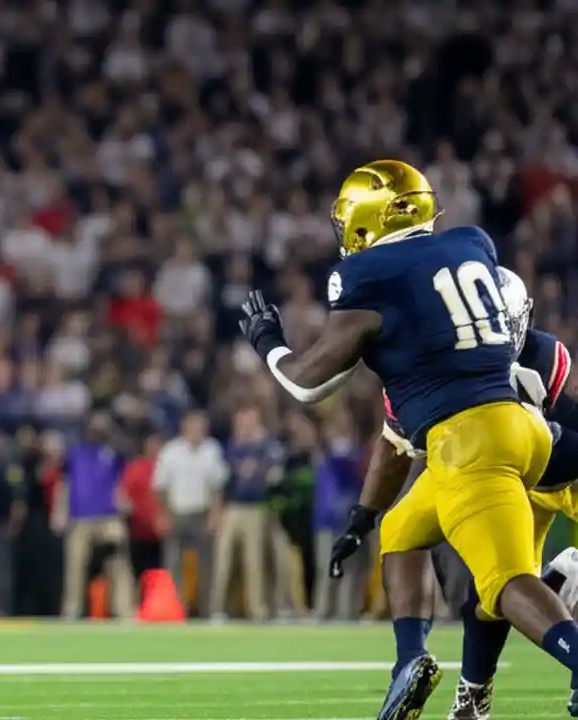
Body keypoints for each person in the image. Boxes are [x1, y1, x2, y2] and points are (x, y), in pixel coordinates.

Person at [239, 159, 578, 719]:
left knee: (504, 584)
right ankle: (409, 664)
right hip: (516, 430)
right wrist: (363, 517)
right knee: (401, 529)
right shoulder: (471, 244)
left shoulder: (370, 275)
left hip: (470, 441)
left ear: (365, 222)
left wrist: (267, 340)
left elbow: (308, 383)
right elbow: (396, 436)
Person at [329, 266, 578, 718]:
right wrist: (363, 517)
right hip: (496, 469)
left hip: (540, 468)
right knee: (474, 587)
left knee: (504, 583)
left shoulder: (545, 355)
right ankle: (453, 684)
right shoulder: (430, 362)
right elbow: (394, 448)